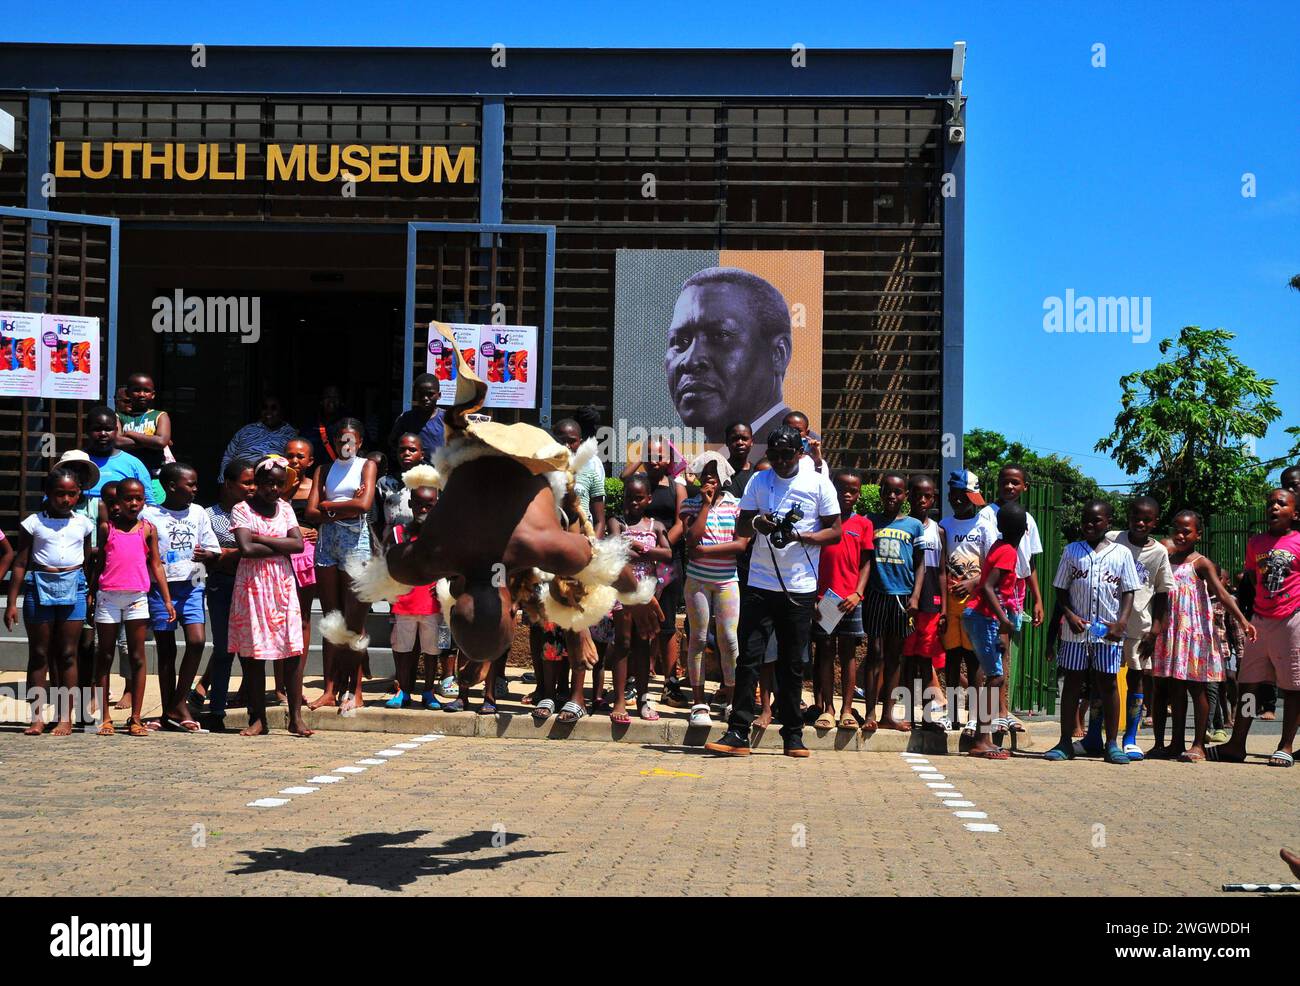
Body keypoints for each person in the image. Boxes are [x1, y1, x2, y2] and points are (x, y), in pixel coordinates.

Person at [706, 425, 841, 759]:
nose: (780, 461)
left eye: (787, 454)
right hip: (760, 583)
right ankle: (738, 732)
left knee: (792, 663)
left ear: (800, 453)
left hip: (799, 586)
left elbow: (835, 531)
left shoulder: (818, 483)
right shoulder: (759, 481)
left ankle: (793, 736)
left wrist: (806, 537)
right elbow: (741, 525)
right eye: (774, 454)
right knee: (748, 658)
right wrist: (758, 525)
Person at [1148, 510, 1253, 762]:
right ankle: (1173, 743)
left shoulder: (1201, 563)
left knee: (1198, 689)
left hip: (1194, 633)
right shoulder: (1166, 559)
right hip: (1169, 632)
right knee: (1173, 688)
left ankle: (1198, 744)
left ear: (1198, 534)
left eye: (1187, 531)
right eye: (1177, 529)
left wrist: (1242, 619)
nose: (1181, 535)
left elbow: (1223, 594)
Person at [1043, 500, 1140, 764]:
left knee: (1108, 684)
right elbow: (1061, 589)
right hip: (1076, 631)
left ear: (1108, 522)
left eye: (1096, 520)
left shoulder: (1121, 553)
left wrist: (1122, 623)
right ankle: (1065, 741)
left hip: (1108, 631)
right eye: (1086, 519)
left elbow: (1129, 590)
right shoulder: (1072, 550)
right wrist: (1069, 614)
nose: (1090, 524)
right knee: (1072, 683)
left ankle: (1112, 744)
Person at [1210, 488, 1299, 766]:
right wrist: (1248, 616)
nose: (1274, 507)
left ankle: (1285, 745)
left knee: (1293, 686)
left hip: (1291, 620)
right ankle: (1237, 744)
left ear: (1294, 513)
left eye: (1281, 504)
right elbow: (1251, 577)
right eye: (1270, 503)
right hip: (1259, 621)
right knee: (1248, 684)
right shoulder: (1256, 543)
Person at [4, 466, 95, 736]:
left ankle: (65, 716)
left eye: (71, 494)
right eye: (59, 494)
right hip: (39, 585)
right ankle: (36, 717)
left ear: (79, 495)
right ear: (48, 493)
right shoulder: (33, 523)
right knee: (40, 653)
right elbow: (20, 563)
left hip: (74, 585)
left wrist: (90, 592)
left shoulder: (83, 524)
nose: (65, 500)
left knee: (68, 653)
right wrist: (11, 602)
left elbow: (88, 560)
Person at [663, 267, 794, 443]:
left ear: (779, 353)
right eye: (679, 341)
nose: (691, 360)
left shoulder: (798, 457)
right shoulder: (700, 462)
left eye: (720, 336)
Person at [229, 456, 310, 737]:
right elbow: (245, 549)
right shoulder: (241, 509)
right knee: (254, 655)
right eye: (267, 483)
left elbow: (298, 544)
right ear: (257, 484)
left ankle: (296, 717)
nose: (273, 489)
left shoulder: (286, 508)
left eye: (279, 483)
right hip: (253, 585)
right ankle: (257, 717)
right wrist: (280, 545)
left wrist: (260, 538)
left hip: (282, 585)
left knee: (291, 651)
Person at [307, 417, 379, 714]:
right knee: (331, 619)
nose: (345, 445)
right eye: (340, 440)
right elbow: (311, 512)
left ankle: (355, 689)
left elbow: (364, 507)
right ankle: (329, 689)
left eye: (351, 440)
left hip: (355, 544)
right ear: (334, 442)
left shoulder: (366, 466)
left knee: (354, 620)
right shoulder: (323, 469)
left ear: (359, 442)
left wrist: (330, 506)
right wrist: (343, 507)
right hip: (327, 542)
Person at [91, 477, 173, 737]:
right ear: (118, 501)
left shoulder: (148, 529)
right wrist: (92, 593)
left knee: (137, 656)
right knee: (105, 655)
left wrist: (167, 599)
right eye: (128, 498)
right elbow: (100, 562)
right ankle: (104, 717)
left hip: (137, 596)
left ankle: (135, 718)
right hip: (108, 597)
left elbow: (156, 564)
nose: (134, 503)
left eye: (139, 498)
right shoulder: (107, 528)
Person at [143, 462, 220, 732]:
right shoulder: (151, 514)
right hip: (161, 588)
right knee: (166, 651)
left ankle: (178, 703)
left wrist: (208, 556)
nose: (196, 489)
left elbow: (213, 549)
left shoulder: (198, 512)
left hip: (193, 583)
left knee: (197, 641)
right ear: (171, 487)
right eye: (191, 484)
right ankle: (168, 711)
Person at [1104, 496, 1174, 761]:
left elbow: (1162, 593)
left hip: (1138, 626)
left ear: (1155, 521)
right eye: (1136, 517)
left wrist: (1155, 630)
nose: (1141, 523)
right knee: (1103, 676)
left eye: (1147, 519)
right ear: (1128, 516)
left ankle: (1131, 736)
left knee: (1136, 677)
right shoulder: (1112, 538)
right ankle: (1098, 734)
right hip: (1108, 622)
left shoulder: (1158, 552)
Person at [680, 451, 747, 725]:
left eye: (714, 471)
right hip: (697, 581)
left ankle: (730, 700)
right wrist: (705, 507)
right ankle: (698, 703)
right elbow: (690, 539)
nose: (709, 477)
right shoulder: (690, 505)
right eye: (704, 472)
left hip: (727, 581)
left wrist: (704, 551)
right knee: (697, 638)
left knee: (729, 641)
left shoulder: (737, 505)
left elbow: (740, 545)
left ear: (723, 476)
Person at [192, 459, 256, 731]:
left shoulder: (259, 513)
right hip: (221, 587)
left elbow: (259, 547)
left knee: (252, 650)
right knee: (223, 649)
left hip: (253, 586)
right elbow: (206, 555)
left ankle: (256, 714)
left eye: (254, 482)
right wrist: (242, 552)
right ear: (229, 484)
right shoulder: (209, 515)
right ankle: (216, 711)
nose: (252, 488)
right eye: (246, 482)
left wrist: (227, 553)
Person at [981, 464, 1044, 734]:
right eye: (1005, 482)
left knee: (1006, 649)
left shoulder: (1027, 519)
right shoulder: (986, 515)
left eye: (1016, 483)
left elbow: (1029, 561)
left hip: (1016, 589)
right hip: (993, 587)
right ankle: (992, 712)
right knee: (995, 648)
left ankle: (1002, 710)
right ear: (998, 484)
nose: (1010, 487)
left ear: (1024, 487)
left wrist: (1037, 598)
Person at [604, 475, 672, 722]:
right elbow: (616, 548)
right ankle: (620, 700)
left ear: (649, 499)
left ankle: (643, 698)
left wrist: (638, 546)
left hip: (647, 594)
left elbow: (667, 554)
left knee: (643, 644)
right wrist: (639, 550)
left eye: (639, 497)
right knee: (622, 643)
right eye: (629, 497)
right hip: (623, 590)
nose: (633, 502)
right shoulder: (616, 522)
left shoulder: (656, 525)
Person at [962, 501, 1027, 760]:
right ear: (1024, 529)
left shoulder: (1000, 547)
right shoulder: (1008, 552)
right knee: (996, 677)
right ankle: (980, 740)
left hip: (980, 616)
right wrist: (1004, 620)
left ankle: (985, 738)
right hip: (983, 616)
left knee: (990, 674)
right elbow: (988, 587)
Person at [861, 472, 925, 733]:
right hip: (876, 593)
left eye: (897, 492)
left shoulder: (914, 526)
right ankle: (869, 712)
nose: (891, 496)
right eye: (887, 490)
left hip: (902, 597)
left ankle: (889, 713)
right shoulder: (869, 522)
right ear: (880, 492)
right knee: (874, 653)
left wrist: (916, 596)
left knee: (894, 656)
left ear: (905, 496)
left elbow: (921, 565)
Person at [811, 468, 872, 731]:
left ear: (859, 493)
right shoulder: (820, 521)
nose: (847, 494)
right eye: (841, 489)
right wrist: (812, 596)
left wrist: (858, 593)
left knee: (848, 654)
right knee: (824, 651)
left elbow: (866, 564)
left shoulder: (864, 524)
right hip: (824, 597)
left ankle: (847, 709)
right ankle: (828, 708)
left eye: (853, 490)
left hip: (850, 600)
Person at [939, 470, 997, 732]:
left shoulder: (985, 526)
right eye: (956, 495)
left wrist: (972, 584)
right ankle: (952, 713)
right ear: (951, 496)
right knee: (952, 658)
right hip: (951, 605)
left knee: (974, 661)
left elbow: (992, 566)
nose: (960, 500)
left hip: (976, 604)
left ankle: (973, 716)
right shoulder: (945, 526)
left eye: (966, 496)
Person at [384, 485, 442, 709]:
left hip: (432, 602)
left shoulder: (441, 534)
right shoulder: (398, 533)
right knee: (402, 649)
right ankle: (403, 690)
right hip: (404, 602)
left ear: (437, 505)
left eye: (429, 505)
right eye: (419, 504)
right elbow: (386, 564)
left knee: (431, 650)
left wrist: (443, 586)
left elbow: (448, 565)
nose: (423, 509)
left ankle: (429, 691)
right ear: (410, 504)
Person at [903, 475, 948, 730]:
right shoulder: (904, 525)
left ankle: (929, 711)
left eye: (927, 495)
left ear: (933, 498)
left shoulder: (938, 530)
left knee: (926, 657)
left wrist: (943, 608)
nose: (922, 500)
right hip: (907, 599)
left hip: (931, 600)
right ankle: (908, 712)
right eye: (917, 494)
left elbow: (941, 570)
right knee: (908, 658)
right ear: (909, 495)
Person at [282, 438, 319, 705]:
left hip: (306, 558)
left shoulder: (315, 487)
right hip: (279, 556)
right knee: (280, 618)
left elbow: (323, 516)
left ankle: (296, 680)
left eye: (300, 456)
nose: (295, 460)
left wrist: (317, 531)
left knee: (302, 618)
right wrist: (285, 490)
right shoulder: (275, 485)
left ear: (310, 461)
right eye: (290, 455)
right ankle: (280, 683)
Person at [82, 405, 157, 507]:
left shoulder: (133, 464)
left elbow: (149, 502)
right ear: (87, 430)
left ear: (116, 430)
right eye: (97, 429)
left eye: (108, 429)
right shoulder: (78, 461)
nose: (103, 434)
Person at [115, 372, 172, 504]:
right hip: (126, 476)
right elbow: (117, 441)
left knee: (155, 512)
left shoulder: (160, 416)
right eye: (136, 390)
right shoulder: (118, 416)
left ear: (153, 394)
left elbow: (161, 442)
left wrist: (131, 434)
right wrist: (151, 440)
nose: (141, 394)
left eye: (146, 391)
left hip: (154, 477)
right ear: (128, 393)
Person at [220, 396, 298, 476]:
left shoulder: (290, 433)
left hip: (272, 479)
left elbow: (295, 459)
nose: (268, 411)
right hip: (242, 476)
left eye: (274, 408)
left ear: (281, 411)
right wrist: (223, 480)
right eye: (265, 408)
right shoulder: (246, 430)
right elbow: (228, 456)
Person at [554, 418, 605, 537]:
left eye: (572, 441)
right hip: (553, 538)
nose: (567, 445)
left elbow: (600, 521)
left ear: (580, 442)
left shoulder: (590, 475)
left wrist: (593, 546)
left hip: (583, 540)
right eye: (561, 441)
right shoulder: (545, 474)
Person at [377, 433, 426, 541]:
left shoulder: (432, 482)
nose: (406, 453)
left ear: (422, 454)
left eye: (412, 450)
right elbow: (377, 519)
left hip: (422, 541)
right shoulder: (384, 483)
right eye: (402, 450)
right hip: (392, 542)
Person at [387, 372, 446, 462]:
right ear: (415, 395)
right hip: (415, 471)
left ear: (439, 395)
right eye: (421, 394)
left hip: (442, 471)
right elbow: (393, 443)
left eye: (430, 394)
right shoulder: (406, 419)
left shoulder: (447, 419)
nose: (425, 398)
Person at [305, 384, 346, 467]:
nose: (331, 400)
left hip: (341, 471)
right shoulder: (311, 423)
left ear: (341, 401)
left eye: (335, 397)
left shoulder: (349, 423)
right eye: (328, 397)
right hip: (314, 471)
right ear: (321, 401)